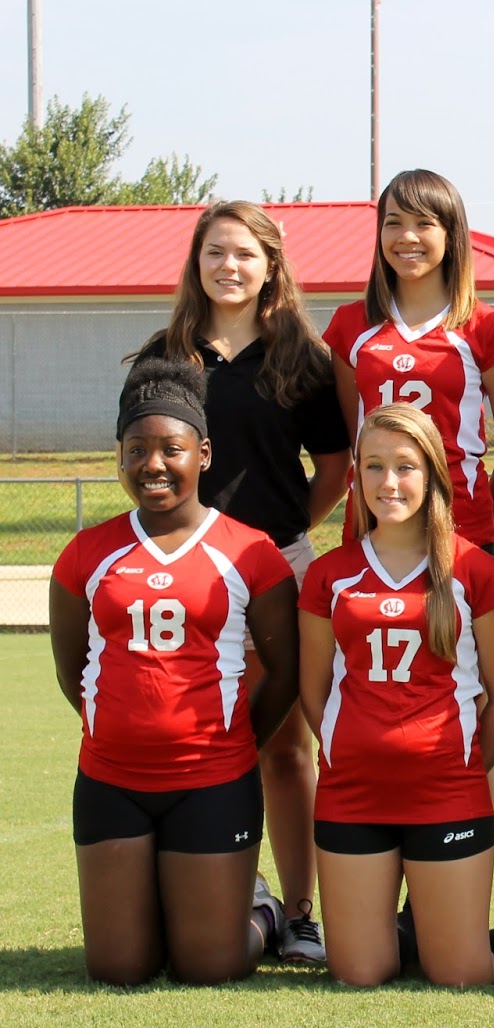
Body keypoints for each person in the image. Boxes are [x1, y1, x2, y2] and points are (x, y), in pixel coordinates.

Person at [134, 199, 350, 964]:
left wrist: (277, 535)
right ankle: (215, 894)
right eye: (216, 252)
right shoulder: (166, 356)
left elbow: (333, 469)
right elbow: (146, 465)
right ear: (197, 262)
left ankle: (298, 912)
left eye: (245, 254)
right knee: (193, 739)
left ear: (271, 265)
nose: (230, 266)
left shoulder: (305, 358)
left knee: (286, 748)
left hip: (274, 572)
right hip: (179, 577)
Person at [48, 357, 299, 985]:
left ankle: (262, 912)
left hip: (212, 781)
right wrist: (122, 729)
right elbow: (73, 671)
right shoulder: (87, 554)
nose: (153, 464)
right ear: (120, 455)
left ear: (204, 454)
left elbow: (285, 673)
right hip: (111, 781)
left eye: (171, 448)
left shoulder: (251, 552)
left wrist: (232, 745)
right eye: (137, 449)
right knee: (119, 969)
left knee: (210, 967)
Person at [298, 403, 494, 987]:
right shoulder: (329, 574)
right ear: (356, 474)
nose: (389, 482)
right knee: (359, 971)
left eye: (405, 467)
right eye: (374, 466)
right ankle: (409, 924)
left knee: (460, 972)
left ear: (432, 473)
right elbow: (314, 688)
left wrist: (464, 769)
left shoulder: (474, 571)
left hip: (446, 794)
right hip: (353, 792)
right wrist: (341, 748)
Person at [323, 168, 494, 554]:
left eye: (424, 223)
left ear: (451, 236)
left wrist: (477, 525)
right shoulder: (350, 326)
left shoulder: (486, 327)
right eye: (394, 223)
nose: (407, 237)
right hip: (370, 529)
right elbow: (355, 442)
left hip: (460, 530)